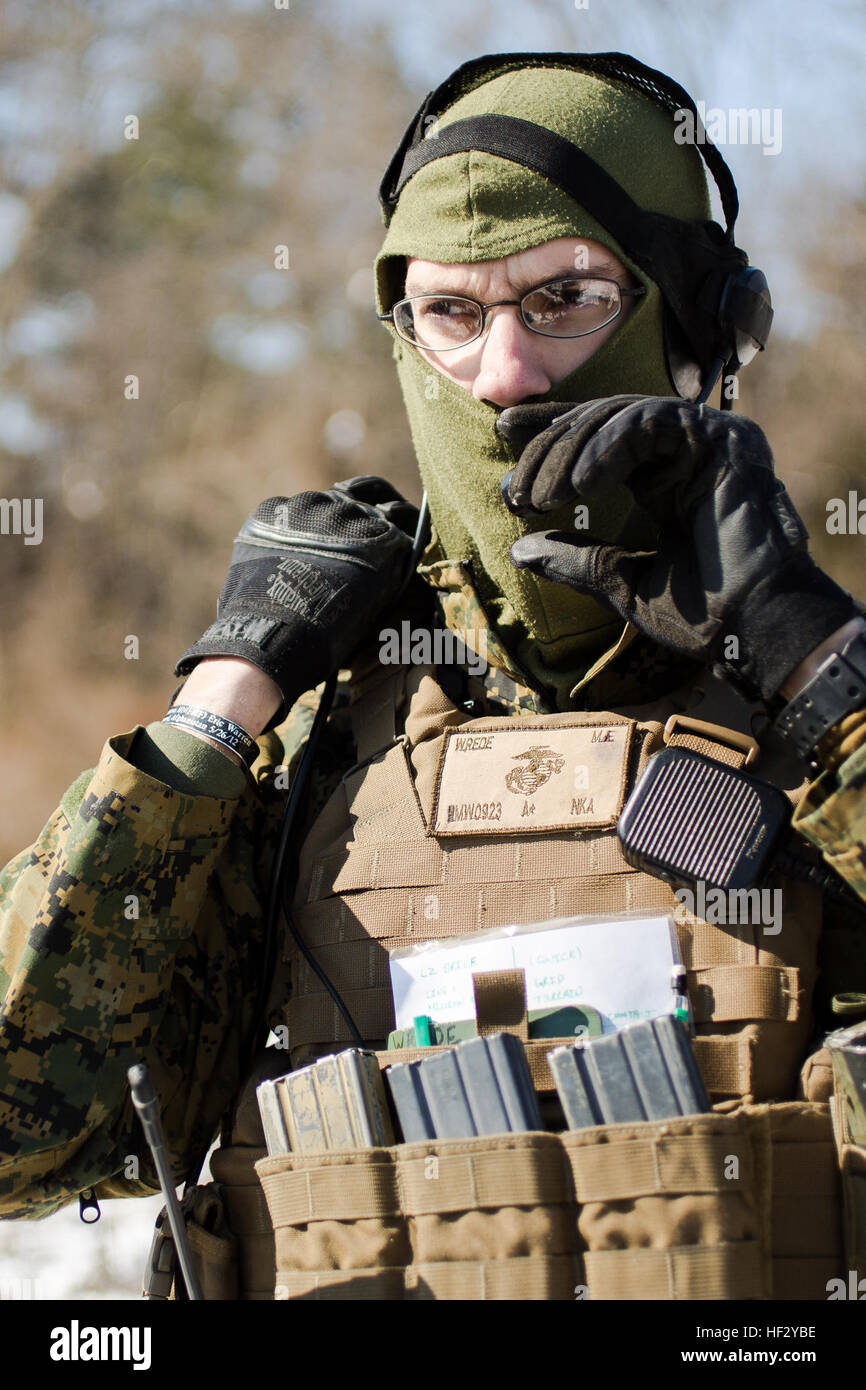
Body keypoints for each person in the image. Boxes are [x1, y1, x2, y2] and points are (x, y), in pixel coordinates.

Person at [1, 51, 865, 1302]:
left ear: (699, 323)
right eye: (450, 315)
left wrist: (812, 658)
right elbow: (23, 1130)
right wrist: (217, 708)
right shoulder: (310, 757)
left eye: (564, 298)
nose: (504, 376)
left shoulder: (820, 712)